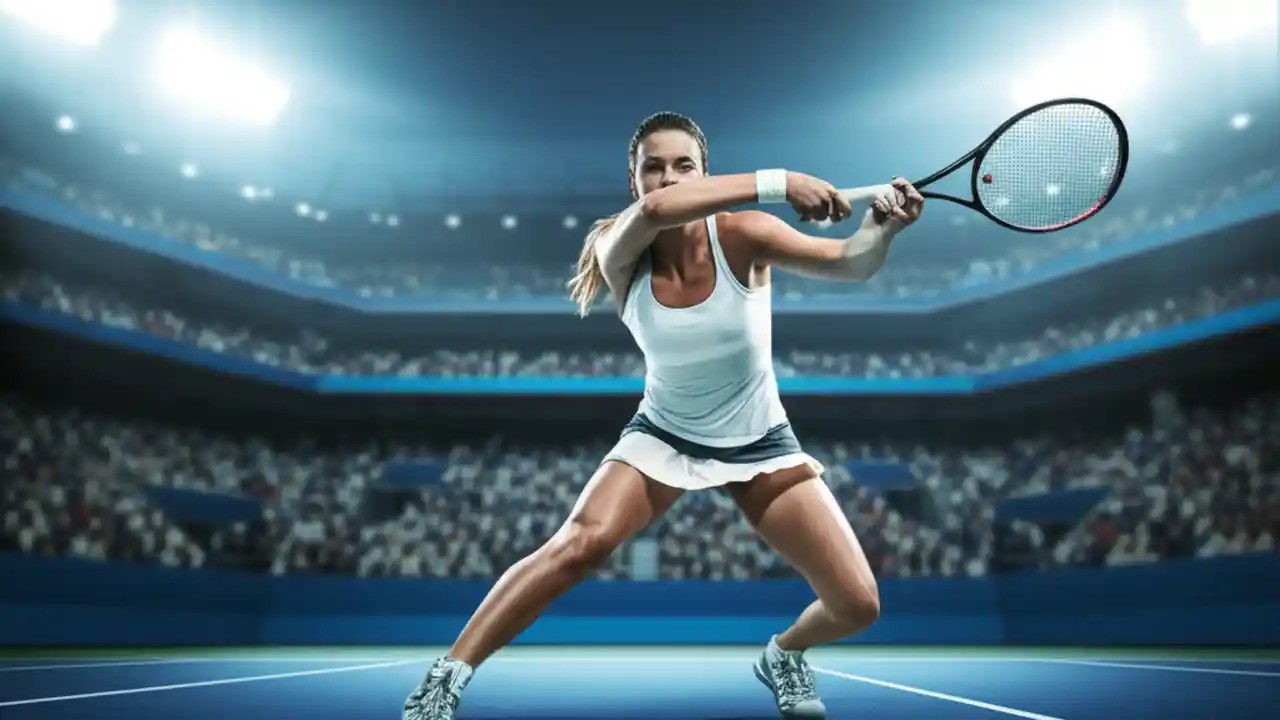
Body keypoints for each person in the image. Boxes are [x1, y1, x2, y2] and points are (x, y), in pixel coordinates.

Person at [402, 111, 923, 719]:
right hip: (665, 434)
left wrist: (881, 231)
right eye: (654, 167)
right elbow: (655, 216)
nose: (668, 179)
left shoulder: (747, 234)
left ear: (706, 174)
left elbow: (850, 261)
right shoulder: (616, 247)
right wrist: (782, 180)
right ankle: (445, 679)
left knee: (858, 604)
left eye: (684, 166)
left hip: (760, 438)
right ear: (634, 181)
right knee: (579, 544)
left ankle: (785, 654)